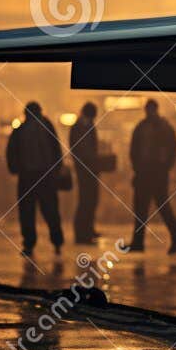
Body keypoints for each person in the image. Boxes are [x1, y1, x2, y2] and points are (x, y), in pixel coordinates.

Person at [6, 102, 66, 256]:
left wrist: (15, 169)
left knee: (27, 212)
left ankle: (29, 244)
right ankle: (57, 241)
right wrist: (57, 170)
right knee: (51, 210)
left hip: (27, 177)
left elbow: (12, 152)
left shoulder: (20, 129)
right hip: (46, 176)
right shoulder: (47, 126)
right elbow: (56, 150)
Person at [129, 99, 176, 254]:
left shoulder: (142, 127)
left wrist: (137, 168)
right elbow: (172, 150)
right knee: (160, 207)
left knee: (143, 208)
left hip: (149, 173)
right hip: (155, 173)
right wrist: (165, 167)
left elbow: (134, 150)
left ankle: (139, 242)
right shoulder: (164, 127)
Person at [68, 102, 101, 244]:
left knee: (90, 200)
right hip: (84, 170)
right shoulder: (80, 127)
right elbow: (80, 149)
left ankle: (87, 230)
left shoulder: (83, 126)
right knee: (86, 201)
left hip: (88, 169)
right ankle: (83, 233)